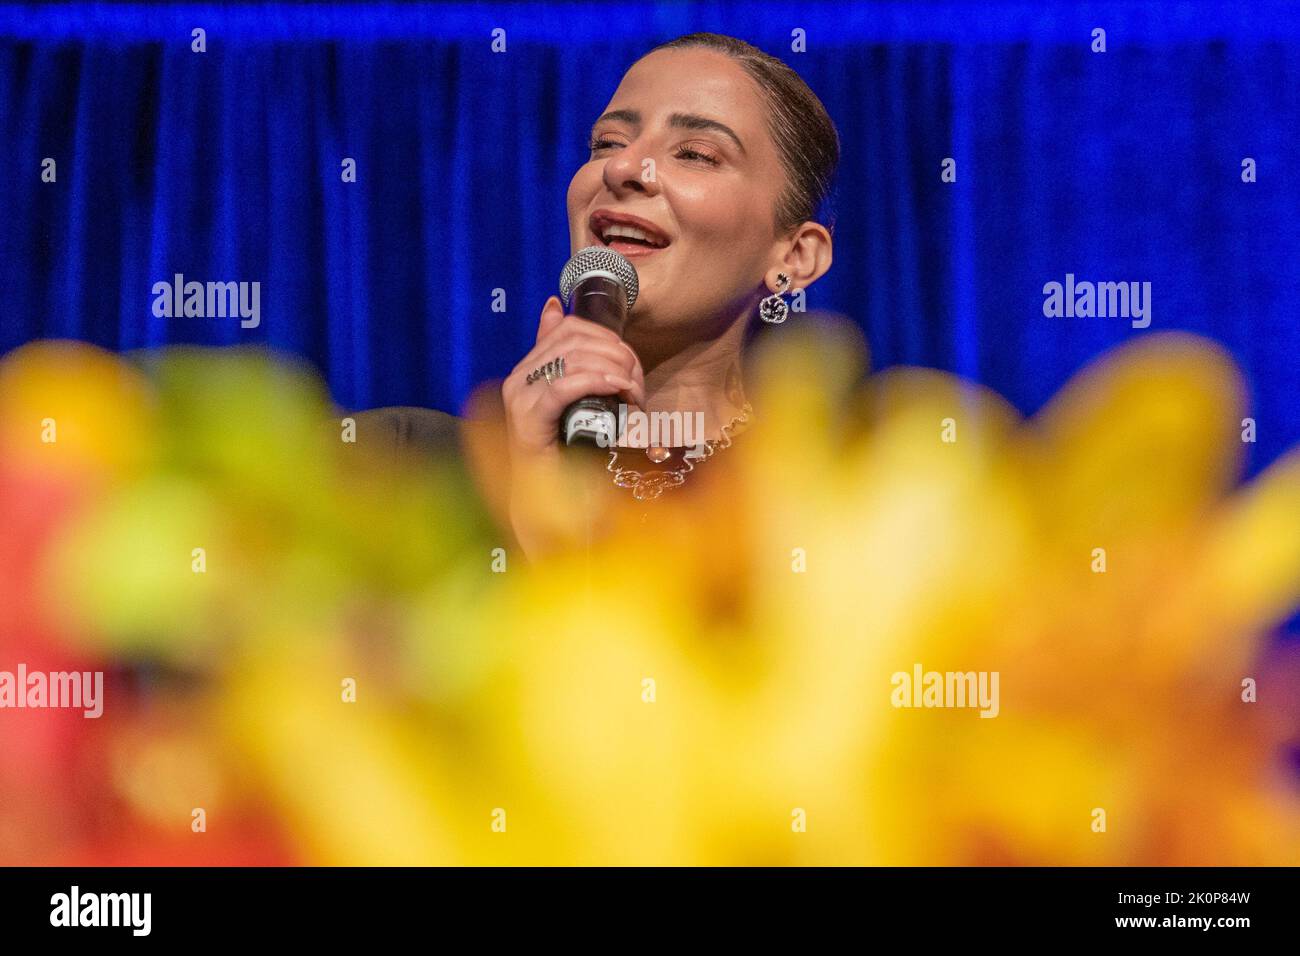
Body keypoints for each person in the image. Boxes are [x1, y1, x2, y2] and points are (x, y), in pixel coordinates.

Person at [354, 33, 839, 561]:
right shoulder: (401, 471)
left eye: (696, 154)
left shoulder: (834, 508)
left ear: (795, 258)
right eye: (608, 143)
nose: (623, 168)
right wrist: (529, 481)